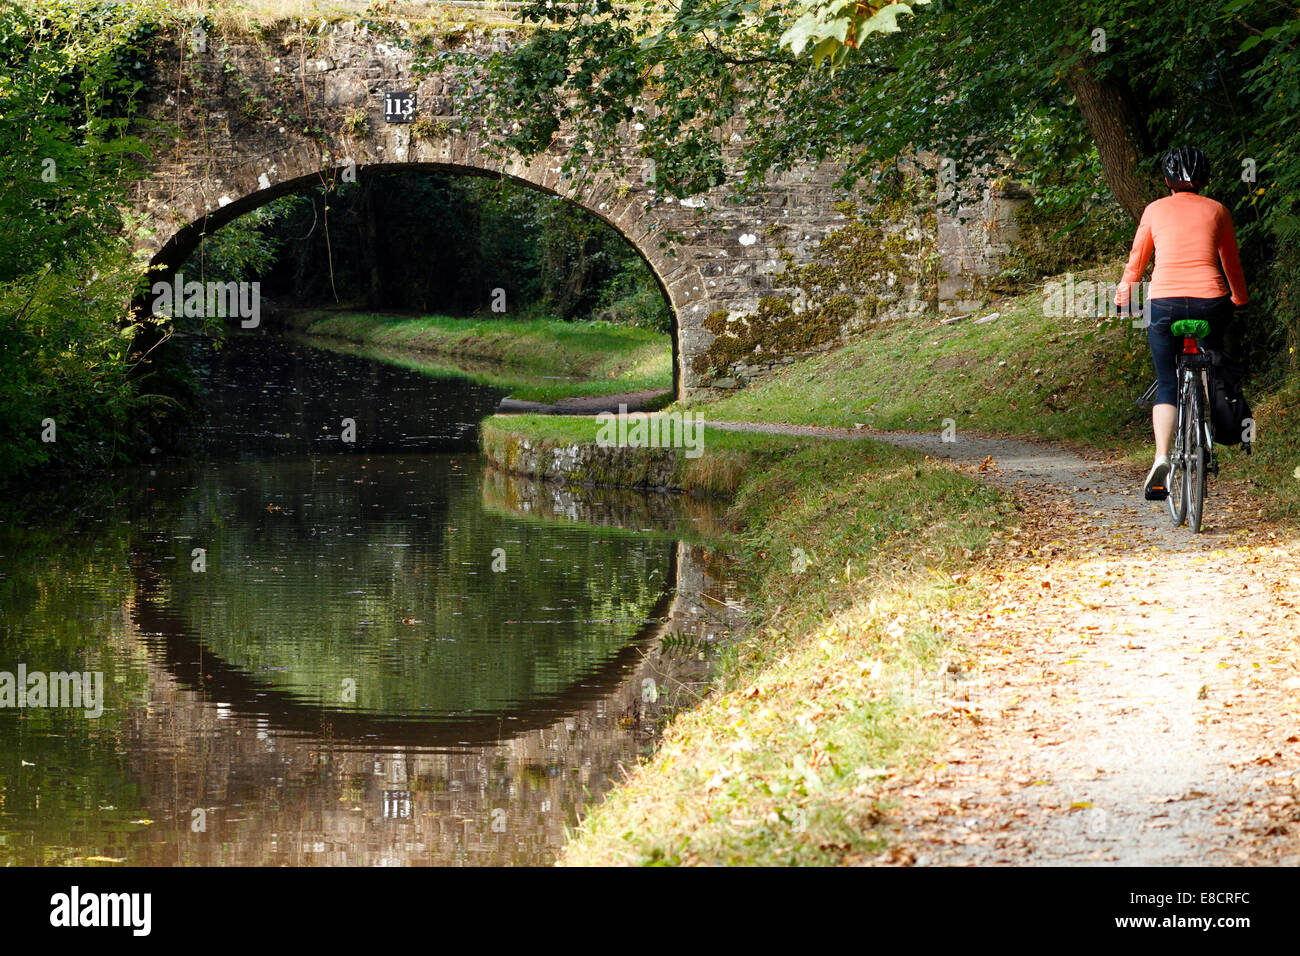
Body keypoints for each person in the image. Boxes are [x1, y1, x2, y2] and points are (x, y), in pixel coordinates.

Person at [1114, 146, 1248, 500]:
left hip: (1164, 305)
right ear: (1204, 178)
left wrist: (1122, 298)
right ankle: (1207, 416)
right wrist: (1240, 299)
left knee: (1166, 382)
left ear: (1167, 179)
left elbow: (1136, 260)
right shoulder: (1217, 210)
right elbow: (1230, 260)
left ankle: (1161, 457)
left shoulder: (1154, 210)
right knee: (1211, 359)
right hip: (1210, 302)